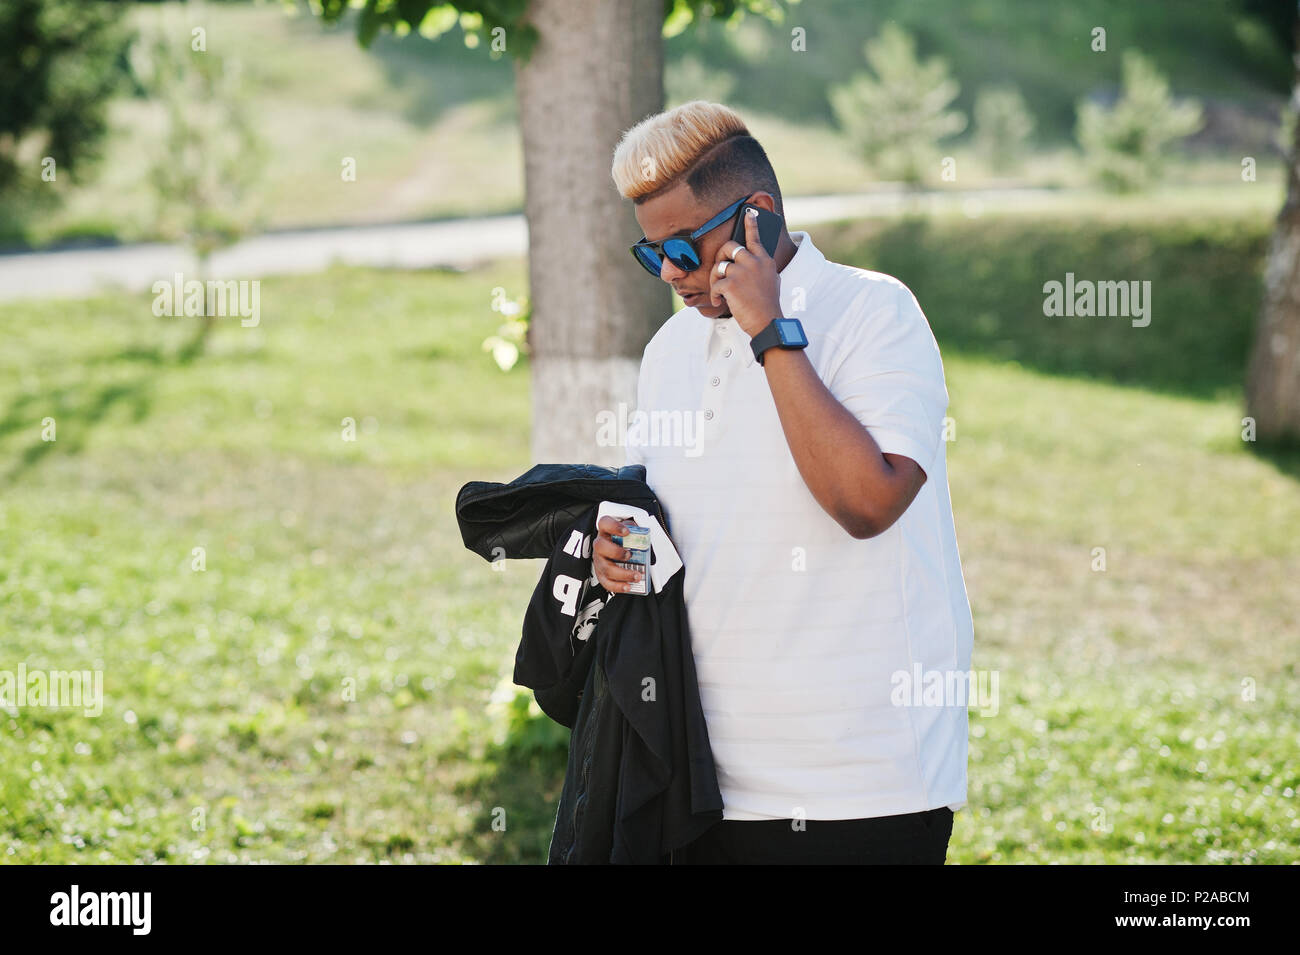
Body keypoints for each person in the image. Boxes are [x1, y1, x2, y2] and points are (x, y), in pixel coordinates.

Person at [592, 100, 974, 864]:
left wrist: (769, 330)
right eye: (651, 255)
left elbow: (868, 502)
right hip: (704, 780)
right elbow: (670, 529)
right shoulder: (669, 350)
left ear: (757, 215)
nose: (671, 274)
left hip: (864, 780)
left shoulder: (876, 312)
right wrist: (619, 555)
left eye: (684, 249)